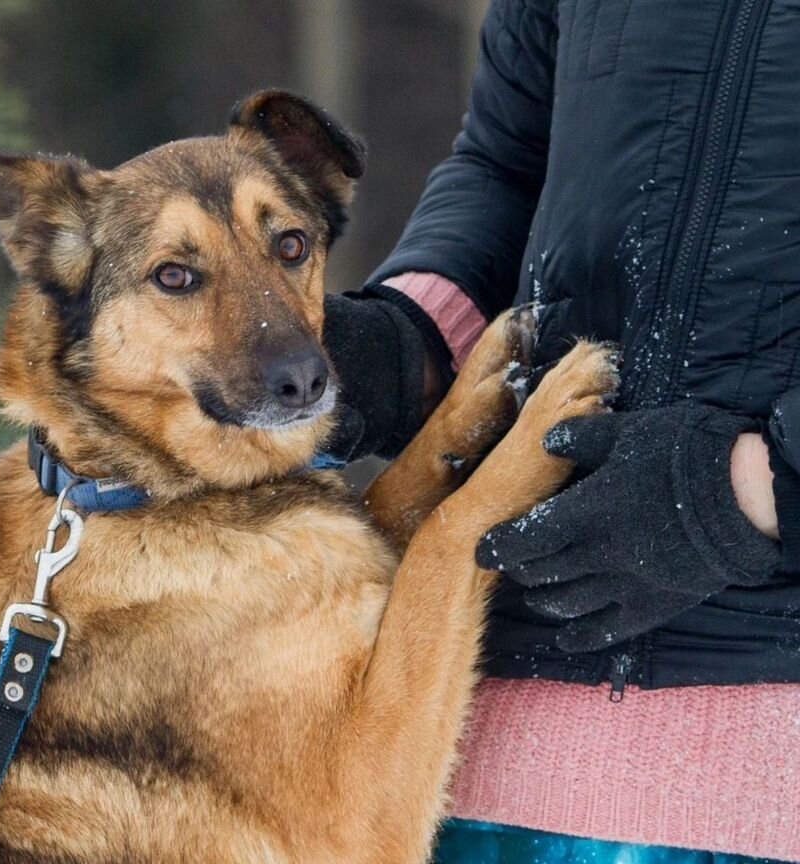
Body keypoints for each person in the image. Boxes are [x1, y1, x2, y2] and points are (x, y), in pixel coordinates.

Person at [322, 1, 800, 862]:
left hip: (764, 789)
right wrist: (414, 339)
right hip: (458, 750)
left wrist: (754, 488)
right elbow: (509, 160)